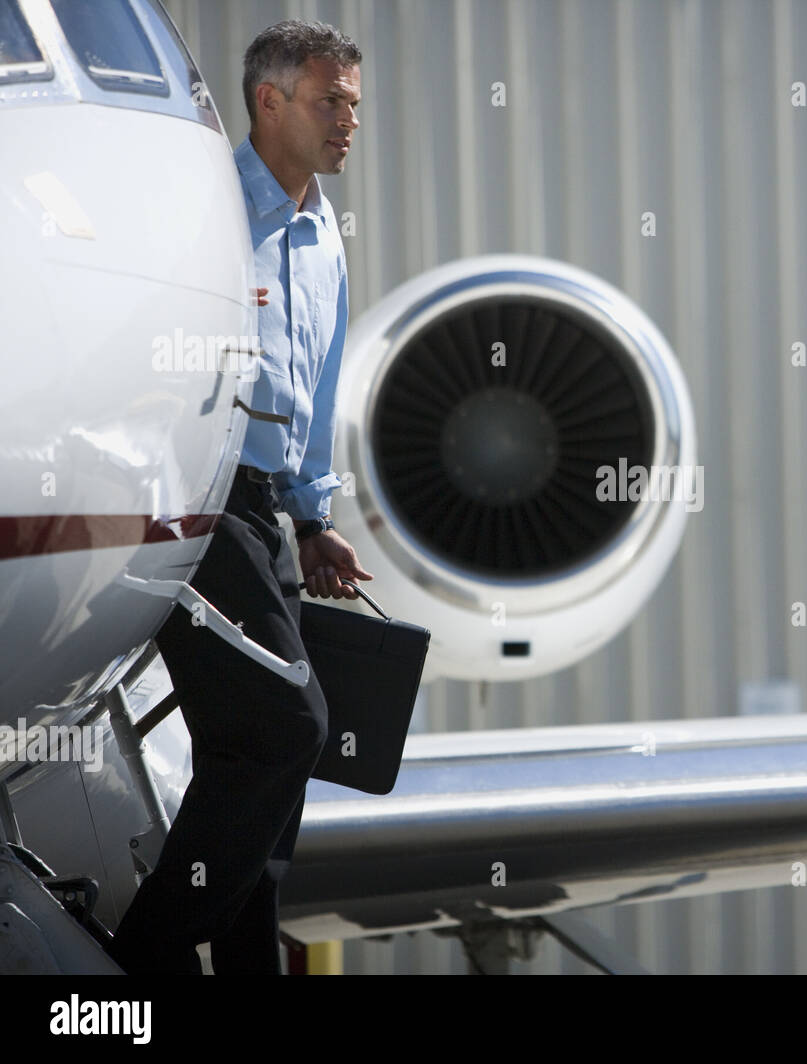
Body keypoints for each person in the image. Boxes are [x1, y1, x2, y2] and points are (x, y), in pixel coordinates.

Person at [108, 19, 370, 974]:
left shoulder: (320, 226)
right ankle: (136, 970)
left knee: (262, 783)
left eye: (353, 104)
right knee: (286, 730)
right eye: (329, 101)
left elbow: (320, 380)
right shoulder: (202, 212)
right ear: (269, 101)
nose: (348, 122)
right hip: (199, 499)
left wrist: (315, 516)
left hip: (266, 511)